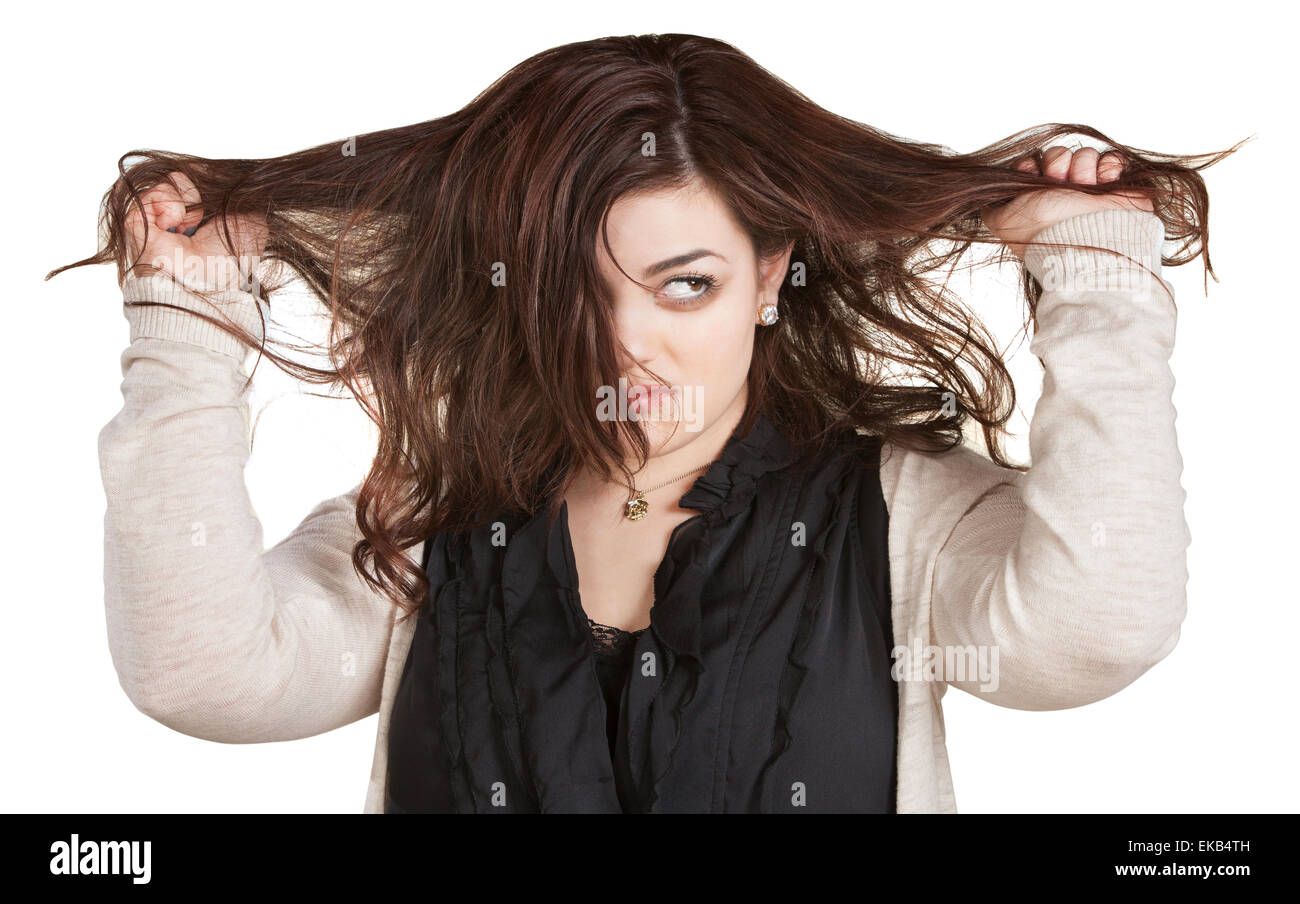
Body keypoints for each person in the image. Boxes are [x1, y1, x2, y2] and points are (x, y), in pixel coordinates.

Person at [56, 33, 1236, 812]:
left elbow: (1101, 623)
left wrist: (1094, 275)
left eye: (687, 284)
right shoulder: (435, 521)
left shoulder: (902, 521)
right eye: (578, 286)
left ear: (771, 276)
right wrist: (187, 321)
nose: (628, 343)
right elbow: (200, 673)